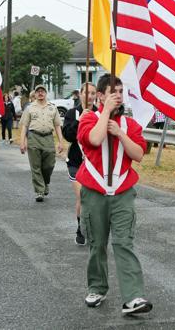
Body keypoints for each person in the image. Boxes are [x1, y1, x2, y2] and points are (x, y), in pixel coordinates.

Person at [76, 74, 152, 315]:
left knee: (123, 242)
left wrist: (120, 133)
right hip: (94, 191)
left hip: (123, 193)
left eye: (120, 91)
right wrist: (105, 113)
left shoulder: (130, 124)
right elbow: (95, 139)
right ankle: (97, 287)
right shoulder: (88, 118)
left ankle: (134, 297)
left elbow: (139, 154)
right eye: (112, 92)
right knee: (97, 244)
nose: (118, 96)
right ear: (100, 95)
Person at [62, 82, 97, 246]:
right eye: (87, 93)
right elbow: (68, 135)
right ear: (80, 94)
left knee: (93, 199)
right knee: (82, 197)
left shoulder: (100, 113)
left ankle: (92, 226)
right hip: (76, 161)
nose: (89, 96)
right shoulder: (71, 113)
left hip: (95, 163)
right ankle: (80, 227)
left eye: (93, 93)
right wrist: (80, 121)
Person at [19, 85, 64, 201]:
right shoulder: (30, 108)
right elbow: (24, 125)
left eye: (42, 91)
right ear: (35, 94)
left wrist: (61, 141)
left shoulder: (53, 108)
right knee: (36, 166)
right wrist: (22, 141)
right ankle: (40, 191)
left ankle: (45, 182)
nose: (40, 93)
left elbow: (57, 125)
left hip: (48, 138)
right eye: (38, 91)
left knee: (49, 165)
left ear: (46, 93)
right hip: (34, 138)